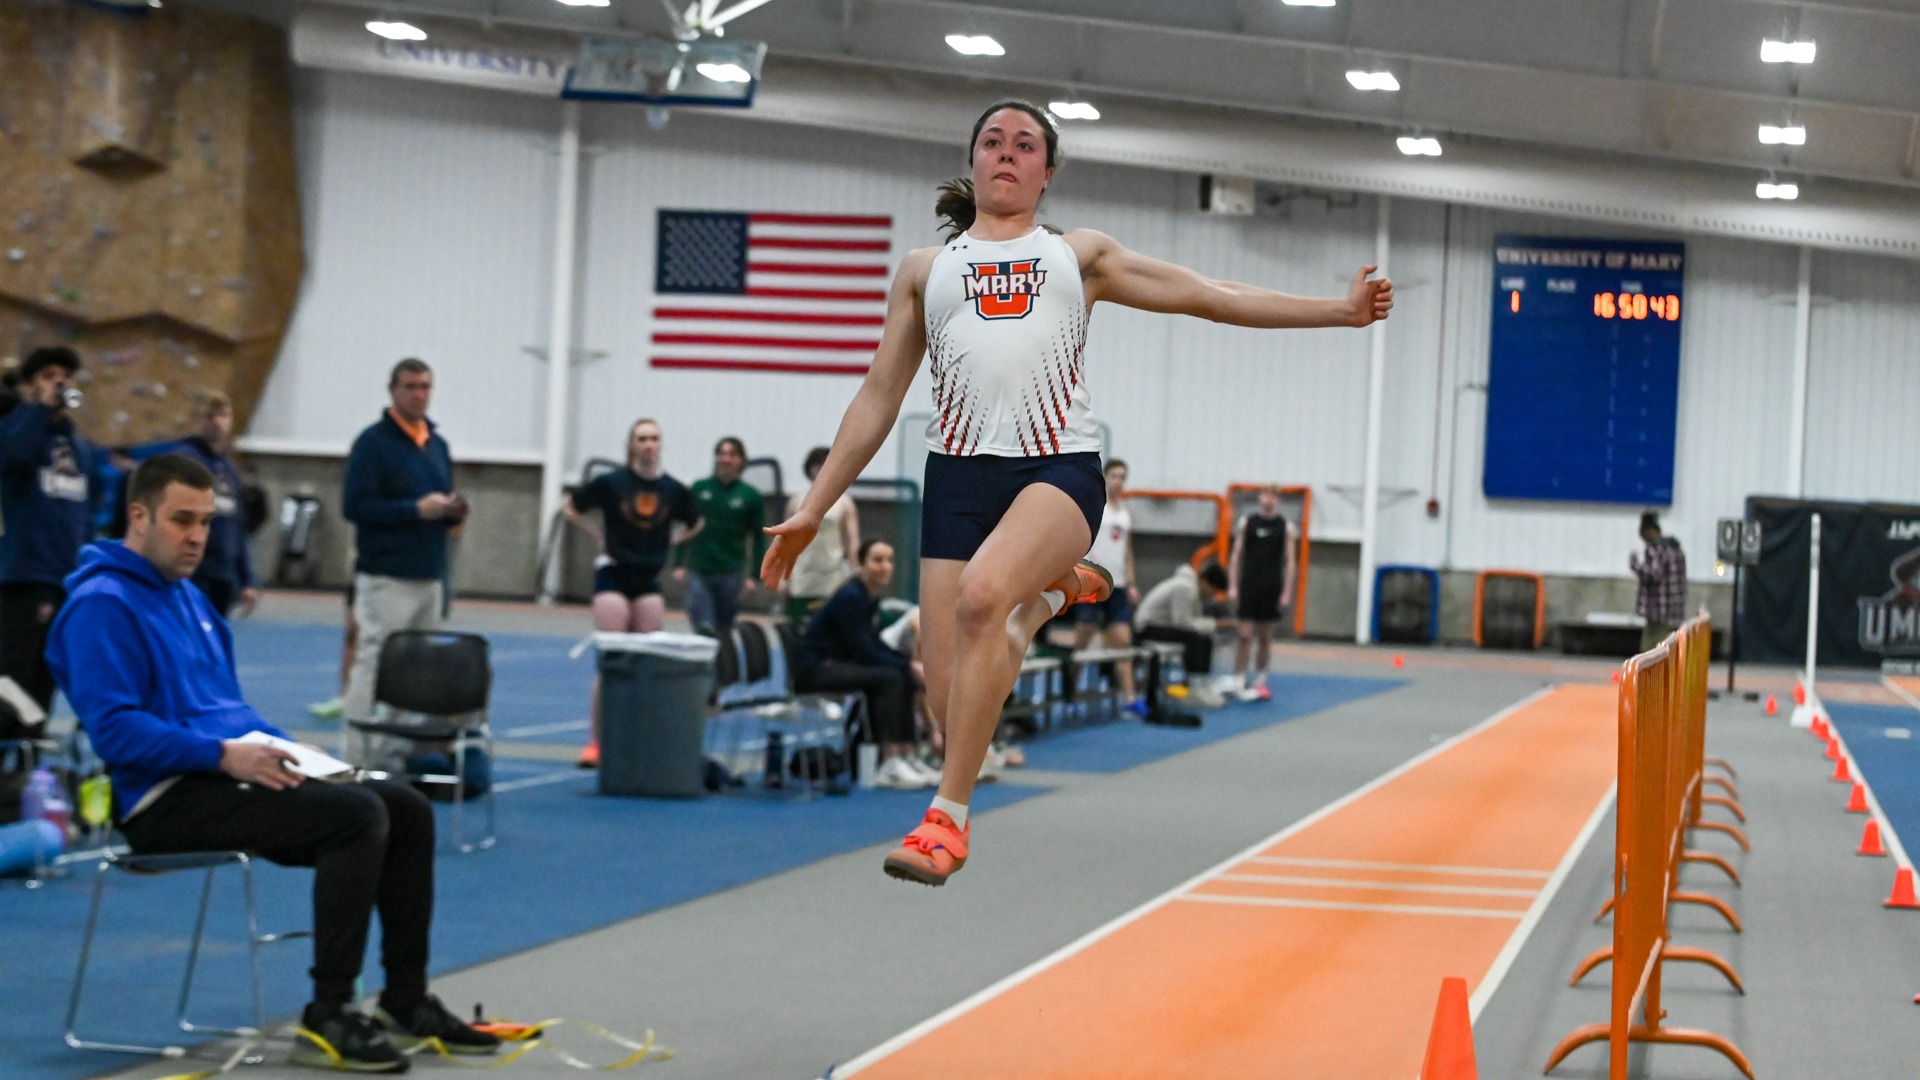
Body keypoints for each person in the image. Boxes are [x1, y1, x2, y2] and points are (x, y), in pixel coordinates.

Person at [759, 100, 1392, 886]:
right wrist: (814, 509)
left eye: (1026, 146)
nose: (1007, 154)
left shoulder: (1076, 256)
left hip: (1054, 468)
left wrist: (1337, 311)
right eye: (993, 141)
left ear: (1046, 173)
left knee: (982, 598)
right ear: (974, 159)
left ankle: (945, 821)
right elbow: (879, 396)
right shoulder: (925, 271)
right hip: (956, 475)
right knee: (949, 705)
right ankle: (1050, 600)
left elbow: (1208, 292)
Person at [46, 454, 499, 1073]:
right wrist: (223, 754)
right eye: (182, 520)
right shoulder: (102, 605)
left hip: (222, 771)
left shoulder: (191, 600)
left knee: (406, 806)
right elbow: (118, 732)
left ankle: (404, 999)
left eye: (205, 521)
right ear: (138, 516)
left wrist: (296, 753)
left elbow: (226, 709)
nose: (197, 537)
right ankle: (329, 1013)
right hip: (164, 801)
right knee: (355, 815)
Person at [340, 359, 466, 765]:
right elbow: (355, 506)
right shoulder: (372, 444)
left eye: (425, 386)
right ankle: (357, 756)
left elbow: (438, 502)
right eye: (411, 386)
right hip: (386, 574)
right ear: (392, 390)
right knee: (375, 663)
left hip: (429, 572)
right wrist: (414, 510)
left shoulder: (437, 445)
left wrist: (451, 511)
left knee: (415, 672)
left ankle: (392, 755)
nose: (419, 394)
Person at [563, 418, 701, 768]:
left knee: (648, 661)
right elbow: (571, 507)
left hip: (648, 578)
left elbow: (696, 520)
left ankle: (644, 737)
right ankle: (597, 741)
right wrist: (596, 533)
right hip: (613, 574)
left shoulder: (672, 489)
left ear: (660, 444)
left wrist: (673, 540)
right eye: (642, 438)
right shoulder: (613, 483)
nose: (648, 445)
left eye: (654, 438)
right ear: (631, 444)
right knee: (612, 659)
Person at [0, 345, 95, 725]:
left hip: (65, 580)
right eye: (48, 375)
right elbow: (12, 456)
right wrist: (38, 408)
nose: (59, 382)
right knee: (11, 682)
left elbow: (83, 512)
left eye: (65, 376)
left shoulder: (75, 444)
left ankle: (29, 765)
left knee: (46, 681)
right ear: (31, 385)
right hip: (24, 578)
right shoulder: (14, 428)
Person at [794, 540, 936, 790]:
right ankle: (890, 760)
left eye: (889, 560)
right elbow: (863, 650)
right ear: (861, 564)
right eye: (877, 560)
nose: (885, 567)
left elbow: (875, 644)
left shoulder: (868, 598)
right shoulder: (850, 597)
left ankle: (906, 754)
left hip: (837, 665)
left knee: (899, 674)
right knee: (891, 677)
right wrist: (907, 666)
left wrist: (908, 665)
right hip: (815, 670)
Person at [123, 392, 261, 618]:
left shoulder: (229, 470)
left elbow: (237, 526)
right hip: (192, 572)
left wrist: (246, 578)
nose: (217, 422)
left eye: (223, 415)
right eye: (210, 416)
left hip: (222, 574)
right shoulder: (183, 462)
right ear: (197, 420)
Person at [1072, 458, 1141, 714]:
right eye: (1114, 476)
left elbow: (1128, 550)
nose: (1119, 482)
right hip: (1092, 583)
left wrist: (1131, 581)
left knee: (1123, 640)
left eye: (1123, 477)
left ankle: (1130, 698)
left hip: (1119, 586)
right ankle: (1071, 693)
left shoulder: (1125, 513)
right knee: (1082, 641)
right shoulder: (1095, 507)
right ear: (1105, 478)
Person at [678, 436, 765, 638]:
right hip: (699, 569)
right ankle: (703, 668)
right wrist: (678, 562)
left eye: (732, 454)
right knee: (703, 626)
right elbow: (686, 526)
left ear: (741, 460)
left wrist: (754, 575)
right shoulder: (699, 488)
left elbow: (758, 538)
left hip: (731, 571)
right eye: (722, 453)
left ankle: (723, 668)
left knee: (724, 629)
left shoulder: (750, 495)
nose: (726, 459)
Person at [1229, 486, 1297, 702]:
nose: (1268, 499)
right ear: (1260, 498)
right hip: (1249, 585)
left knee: (1265, 637)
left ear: (1277, 500)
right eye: (1265, 495)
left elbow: (1290, 562)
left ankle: (1260, 678)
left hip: (1271, 586)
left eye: (1273, 496)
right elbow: (1236, 555)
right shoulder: (1247, 522)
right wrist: (1233, 585)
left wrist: (1286, 591)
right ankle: (1239, 677)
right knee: (1244, 635)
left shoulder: (1285, 527)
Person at [1136, 562, 1232, 708]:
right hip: (1146, 628)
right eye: (1214, 590)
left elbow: (1191, 622)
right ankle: (1193, 686)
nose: (1213, 596)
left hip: (1162, 625)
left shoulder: (1193, 590)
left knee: (1205, 637)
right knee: (1193, 637)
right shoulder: (1184, 587)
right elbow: (1182, 623)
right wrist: (1216, 624)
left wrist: (1212, 626)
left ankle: (1202, 683)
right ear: (1206, 582)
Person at [785, 446, 860, 625]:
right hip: (801, 574)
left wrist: (857, 570)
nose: (821, 469)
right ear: (809, 468)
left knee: (830, 628)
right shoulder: (796, 501)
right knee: (796, 628)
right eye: (816, 465)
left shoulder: (845, 502)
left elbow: (852, 541)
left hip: (832, 575)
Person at [1631, 511, 1687, 650]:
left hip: (1658, 609)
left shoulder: (1656, 548)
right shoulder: (1675, 549)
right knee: (1668, 648)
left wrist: (1635, 565)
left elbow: (1655, 573)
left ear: (1648, 531)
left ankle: (1645, 673)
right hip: (1675, 608)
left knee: (1651, 650)